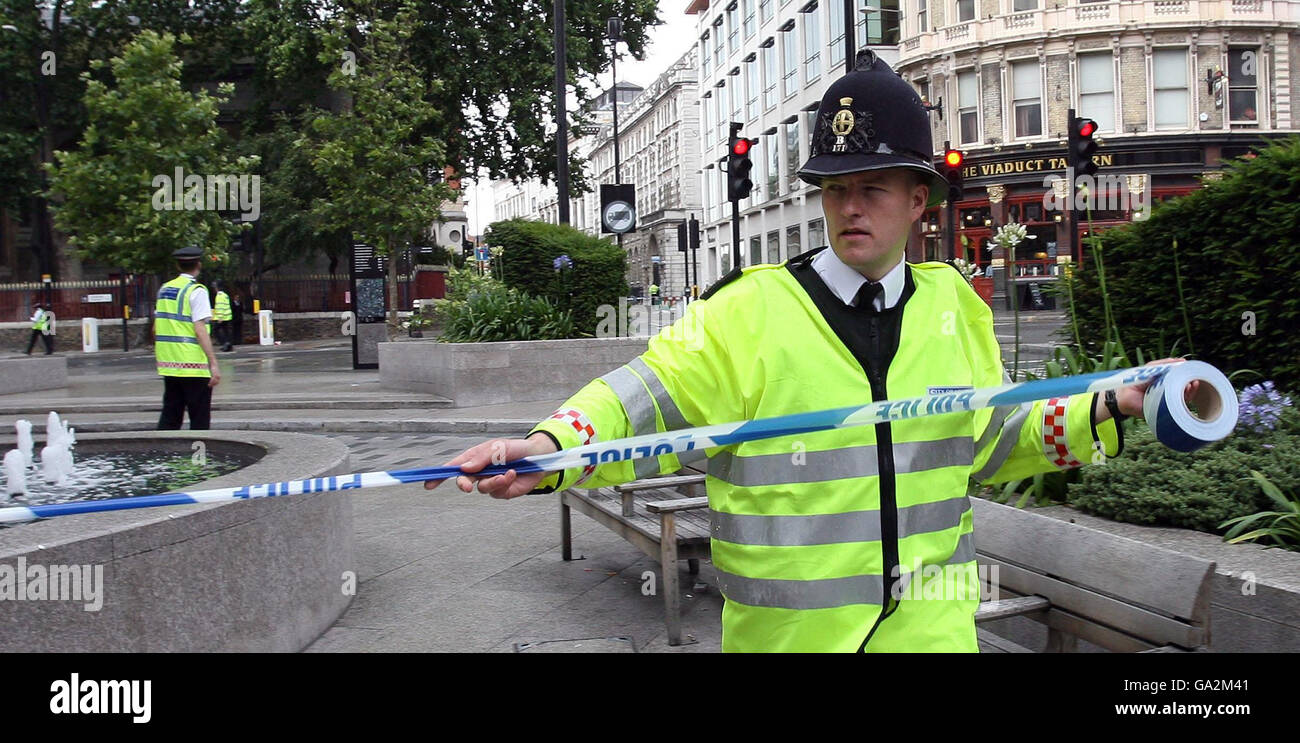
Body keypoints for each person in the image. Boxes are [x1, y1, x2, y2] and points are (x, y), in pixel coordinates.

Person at [425, 51, 1203, 652]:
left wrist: (1113, 405)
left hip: (933, 639)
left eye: (871, 187)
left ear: (918, 198)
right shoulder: (747, 310)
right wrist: (548, 447)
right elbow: (643, 397)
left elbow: (993, 438)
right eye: (835, 189)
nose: (849, 206)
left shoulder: (952, 309)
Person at [155, 245, 221, 430]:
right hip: (193, 364)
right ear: (198, 265)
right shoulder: (197, 291)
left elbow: (156, 326)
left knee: (170, 415)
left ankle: (165, 454)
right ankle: (198, 456)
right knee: (199, 418)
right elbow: (200, 329)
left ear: (178, 266)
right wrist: (213, 362)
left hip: (169, 362)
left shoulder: (164, 289)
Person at [212, 281, 234, 352]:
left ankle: (224, 343)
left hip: (222, 317)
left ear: (216, 288)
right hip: (227, 317)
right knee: (226, 331)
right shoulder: (225, 295)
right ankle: (229, 345)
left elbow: (220, 307)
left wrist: (220, 317)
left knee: (215, 330)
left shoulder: (219, 296)